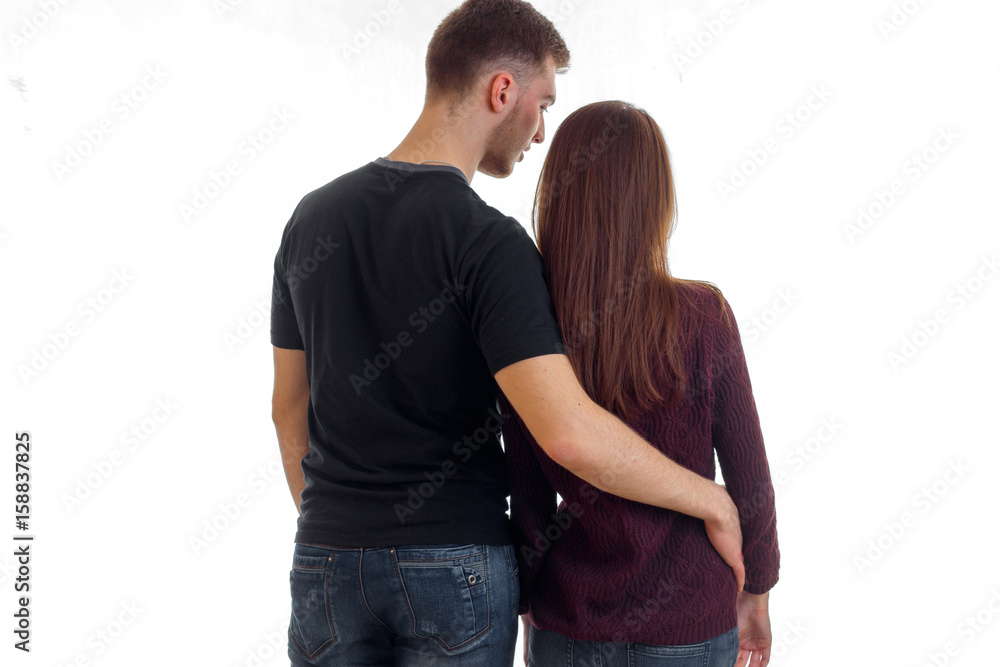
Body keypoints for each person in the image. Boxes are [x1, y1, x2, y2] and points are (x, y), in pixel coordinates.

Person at [270, 2, 746, 665]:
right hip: (453, 567)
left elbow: (288, 408)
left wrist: (335, 530)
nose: (541, 132)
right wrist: (711, 500)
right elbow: (566, 432)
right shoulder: (489, 243)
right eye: (542, 104)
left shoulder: (310, 220)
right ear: (502, 91)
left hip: (324, 560)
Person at [499, 100, 780, 667]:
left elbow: (527, 492)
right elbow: (750, 476)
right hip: (690, 620)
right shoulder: (704, 316)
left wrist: (529, 600)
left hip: (571, 622)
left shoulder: (529, 325)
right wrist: (757, 591)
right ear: (656, 200)